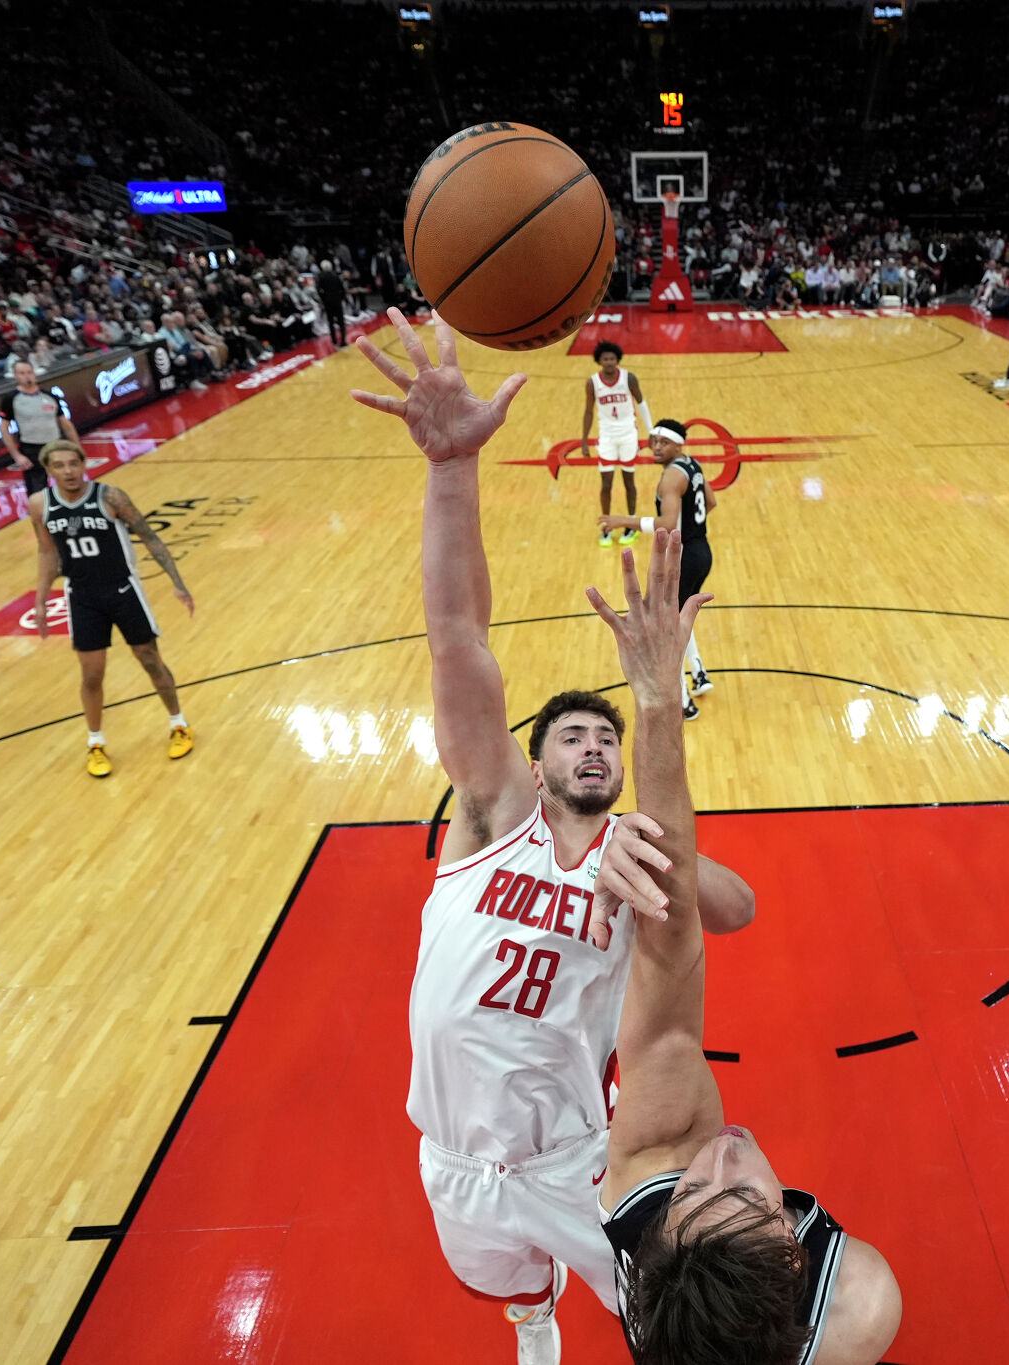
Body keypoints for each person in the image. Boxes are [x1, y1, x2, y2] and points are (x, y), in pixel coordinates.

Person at [345, 313, 756, 1365]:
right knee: (508, 1285)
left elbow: (739, 910)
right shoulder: (488, 820)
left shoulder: (634, 851)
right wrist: (451, 472)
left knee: (672, 1326)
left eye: (603, 739)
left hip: (577, 1156)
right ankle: (532, 1323)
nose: (589, 747)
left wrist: (654, 850)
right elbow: (457, 642)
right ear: (532, 766)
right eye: (569, 735)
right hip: (446, 1155)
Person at [587, 532, 902, 1365]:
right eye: (753, 1202)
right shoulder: (859, 1301)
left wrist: (657, 706)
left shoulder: (650, 1162)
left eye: (693, 1190)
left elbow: (669, 940)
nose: (722, 1156)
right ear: (793, 1255)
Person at [28, 441, 195, 777]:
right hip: (82, 595)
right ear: (49, 471)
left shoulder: (110, 497)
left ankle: (178, 723)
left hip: (123, 589)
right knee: (91, 674)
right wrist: (41, 600)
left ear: (84, 464)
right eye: (59, 466)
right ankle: (95, 743)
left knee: (150, 660)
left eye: (74, 464)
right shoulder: (38, 505)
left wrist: (177, 582)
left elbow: (150, 537)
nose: (68, 471)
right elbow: (47, 554)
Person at [601, 418, 715, 719]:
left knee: (667, 627)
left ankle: (683, 701)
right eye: (653, 441)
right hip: (702, 550)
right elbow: (711, 502)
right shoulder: (693, 465)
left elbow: (666, 524)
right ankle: (700, 673)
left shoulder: (670, 479)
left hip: (684, 556)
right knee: (679, 615)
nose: (655, 447)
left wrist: (625, 520)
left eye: (663, 443)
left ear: (678, 444)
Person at [581, 340, 653, 548]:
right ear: (599, 361)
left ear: (618, 359)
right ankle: (606, 526)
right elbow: (588, 411)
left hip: (628, 434)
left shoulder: (628, 377)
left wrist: (651, 431)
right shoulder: (592, 382)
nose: (609, 362)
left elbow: (641, 403)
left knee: (629, 482)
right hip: (607, 437)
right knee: (606, 484)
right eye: (605, 359)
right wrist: (584, 440)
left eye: (612, 358)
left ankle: (631, 523)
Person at [1, 361, 82, 499]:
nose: (27, 376)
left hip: (55, 446)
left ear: (34, 374)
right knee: (38, 494)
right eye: (22, 373)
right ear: (16, 376)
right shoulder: (11, 399)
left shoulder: (50, 396)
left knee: (68, 486)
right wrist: (17, 456)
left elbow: (66, 424)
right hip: (31, 449)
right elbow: (4, 429)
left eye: (29, 372)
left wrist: (77, 449)